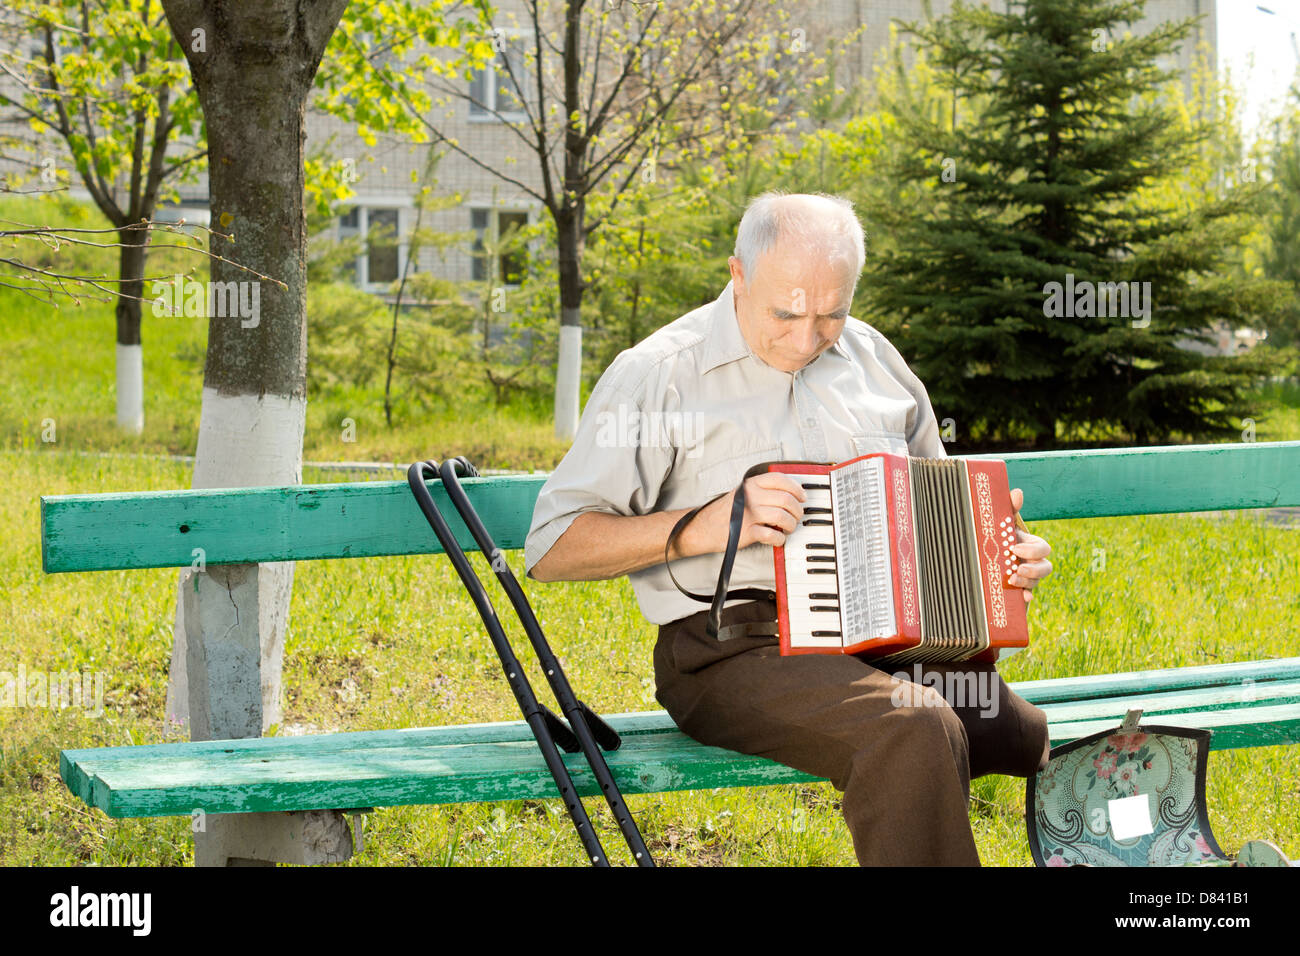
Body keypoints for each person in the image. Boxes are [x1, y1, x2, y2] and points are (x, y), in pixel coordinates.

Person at [525, 191, 1054, 865]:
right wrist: (700, 526)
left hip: (881, 640)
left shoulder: (876, 361)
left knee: (1016, 731)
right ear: (738, 275)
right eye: (786, 312)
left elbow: (940, 511)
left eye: (831, 314)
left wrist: (1002, 559)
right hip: (732, 650)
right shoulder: (659, 376)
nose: (806, 338)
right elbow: (552, 545)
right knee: (913, 729)